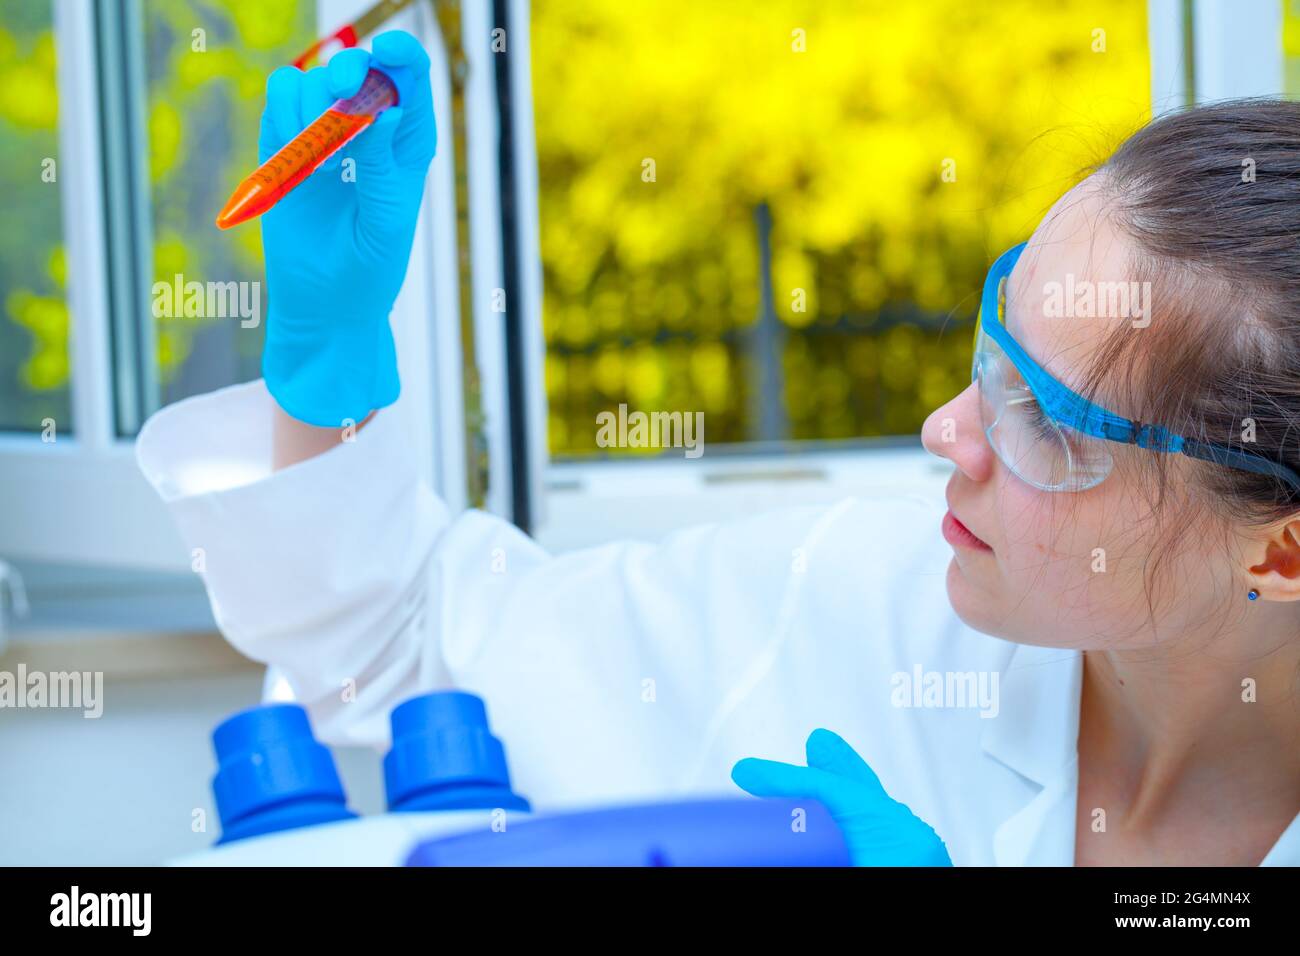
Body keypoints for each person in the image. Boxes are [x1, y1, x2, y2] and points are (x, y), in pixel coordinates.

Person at [137, 31, 1299, 865]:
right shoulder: (852, 605)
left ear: (1281, 549)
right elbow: (403, 660)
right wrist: (327, 367)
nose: (948, 429)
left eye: (1045, 421)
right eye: (995, 343)